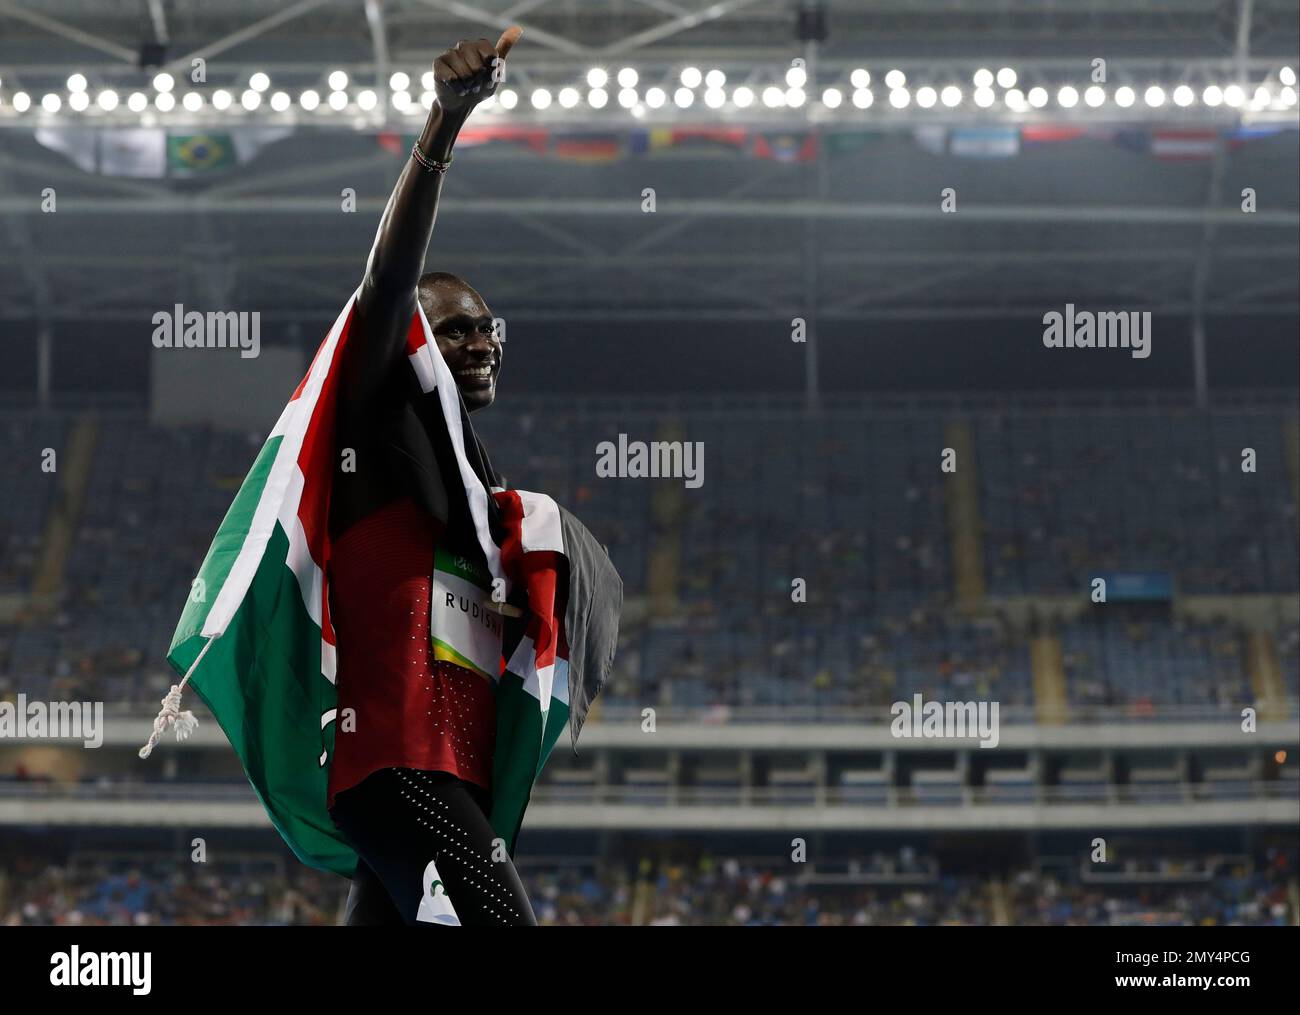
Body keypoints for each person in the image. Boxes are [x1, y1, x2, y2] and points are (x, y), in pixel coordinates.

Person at [324, 28, 541, 927]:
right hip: (398, 759)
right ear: (415, 346)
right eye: (455, 330)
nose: (480, 339)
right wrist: (441, 131)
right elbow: (387, 281)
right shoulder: (378, 415)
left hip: (445, 764)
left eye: (489, 328)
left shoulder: (465, 483)